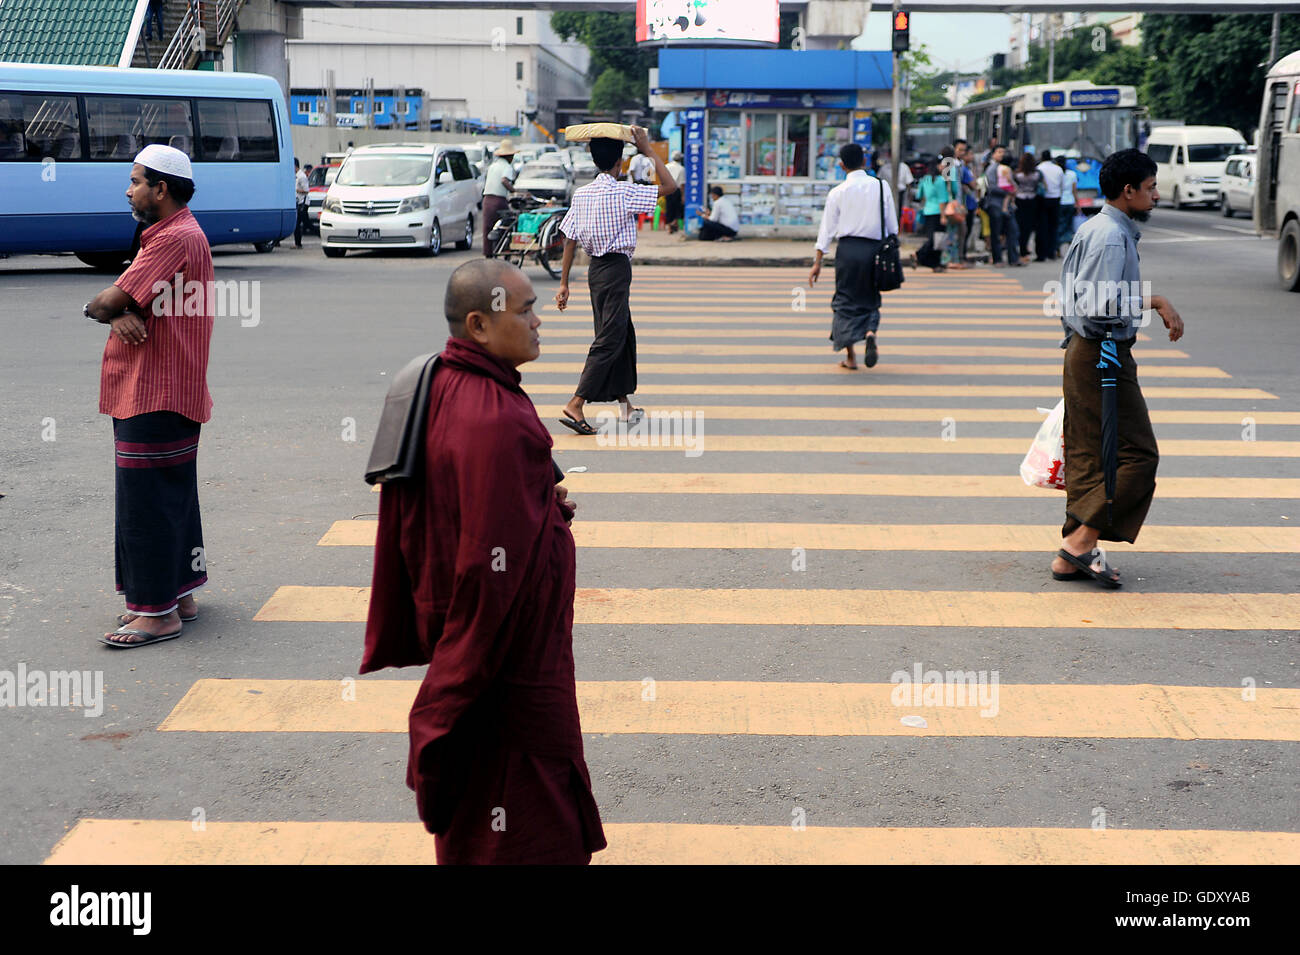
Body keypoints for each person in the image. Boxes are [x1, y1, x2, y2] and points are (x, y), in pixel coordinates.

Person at [362, 259, 607, 864]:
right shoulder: (495, 419)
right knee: (523, 825)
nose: (538, 319)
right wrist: (454, 686)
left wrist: (538, 507)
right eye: (524, 310)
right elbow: (484, 574)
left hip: (504, 652)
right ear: (478, 324)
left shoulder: (447, 379)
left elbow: (465, 506)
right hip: (507, 667)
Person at [84, 144, 213, 648]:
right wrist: (118, 310)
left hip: (152, 391)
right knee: (171, 495)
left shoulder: (171, 239)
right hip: (169, 388)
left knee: (145, 503)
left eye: (136, 180)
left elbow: (107, 300)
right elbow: (122, 304)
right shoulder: (175, 234)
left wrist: (109, 308)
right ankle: (178, 594)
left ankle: (156, 613)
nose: (128, 188)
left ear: (162, 189)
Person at [1051, 149, 1183, 589]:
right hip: (1101, 352)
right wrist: (1156, 301)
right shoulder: (1110, 236)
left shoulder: (1097, 226)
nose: (1156, 195)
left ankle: (1072, 556)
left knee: (1090, 455)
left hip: (1088, 349)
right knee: (1139, 454)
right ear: (1128, 191)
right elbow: (1097, 304)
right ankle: (1079, 543)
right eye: (1150, 188)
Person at [554, 126, 678, 433]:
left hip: (595, 271)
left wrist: (564, 283)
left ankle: (625, 406)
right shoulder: (623, 192)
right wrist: (648, 151)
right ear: (620, 161)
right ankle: (576, 403)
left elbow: (568, 240)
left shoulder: (582, 194)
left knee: (620, 333)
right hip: (616, 270)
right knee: (610, 337)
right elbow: (671, 186)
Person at [809, 142, 898, 371]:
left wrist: (817, 262)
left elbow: (826, 230)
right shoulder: (881, 186)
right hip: (874, 251)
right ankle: (869, 331)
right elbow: (892, 227)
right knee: (870, 297)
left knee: (845, 302)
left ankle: (851, 357)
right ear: (865, 162)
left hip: (847, 252)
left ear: (841, 165)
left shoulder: (837, 192)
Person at [981, 145, 1021, 268]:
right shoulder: (992, 169)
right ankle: (997, 259)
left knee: (1012, 231)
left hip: (1007, 204)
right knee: (996, 233)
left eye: (1003, 152)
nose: (1001, 154)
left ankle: (1013, 258)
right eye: (999, 152)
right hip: (995, 203)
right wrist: (1009, 192)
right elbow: (992, 187)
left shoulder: (1005, 168)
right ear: (993, 154)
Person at [913, 158, 950, 272]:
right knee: (937, 240)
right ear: (937, 166)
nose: (944, 168)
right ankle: (919, 255)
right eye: (942, 165)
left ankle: (935, 264)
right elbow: (942, 200)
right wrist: (944, 215)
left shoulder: (925, 179)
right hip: (938, 212)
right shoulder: (939, 180)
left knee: (934, 239)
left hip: (927, 211)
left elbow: (919, 195)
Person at [481, 139, 517, 256]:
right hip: (499, 200)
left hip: (487, 199)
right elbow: (504, 180)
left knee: (488, 227)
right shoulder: (507, 167)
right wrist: (514, 191)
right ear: (509, 156)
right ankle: (503, 250)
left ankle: (488, 254)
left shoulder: (493, 166)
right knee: (507, 224)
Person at [1036, 148, 1064, 261]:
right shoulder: (1058, 169)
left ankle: (1041, 254)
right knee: (1053, 227)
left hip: (1042, 199)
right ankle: (1051, 252)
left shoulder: (1039, 168)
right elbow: (1062, 185)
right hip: (1056, 198)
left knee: (1042, 227)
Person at [1013, 151, 1041, 261]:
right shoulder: (1036, 174)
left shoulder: (1018, 175)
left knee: (1020, 225)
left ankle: (1021, 248)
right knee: (1028, 226)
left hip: (1020, 199)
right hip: (1032, 200)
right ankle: (1024, 248)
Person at [1056, 154, 1079, 252]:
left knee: (1060, 225)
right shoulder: (1072, 174)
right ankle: (1070, 247)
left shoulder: (1056, 173)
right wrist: (1077, 204)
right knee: (1069, 225)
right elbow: (1074, 190)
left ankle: (1057, 248)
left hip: (1060, 202)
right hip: (1070, 202)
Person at [663, 150, 685, 233]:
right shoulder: (682, 169)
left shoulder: (667, 166)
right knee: (677, 208)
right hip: (677, 190)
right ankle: (674, 223)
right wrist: (683, 195)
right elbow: (682, 184)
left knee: (669, 208)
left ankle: (669, 226)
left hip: (667, 190)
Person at [293, 158, 309, 248]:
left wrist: (297, 190)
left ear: (295, 166)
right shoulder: (296, 176)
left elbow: (306, 191)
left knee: (298, 224)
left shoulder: (302, 176)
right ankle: (298, 243)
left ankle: (298, 244)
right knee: (304, 224)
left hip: (303, 203)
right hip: (299, 202)